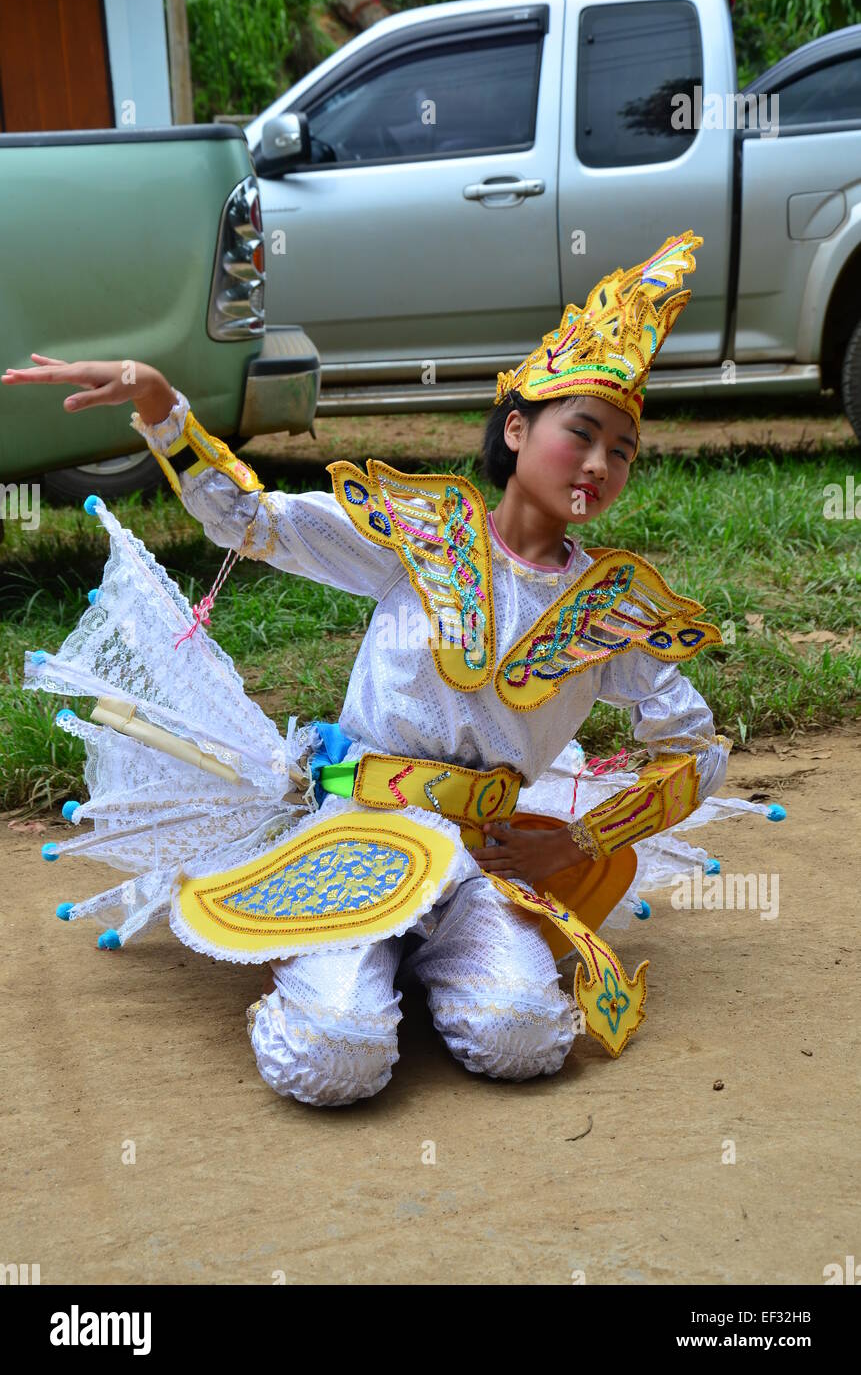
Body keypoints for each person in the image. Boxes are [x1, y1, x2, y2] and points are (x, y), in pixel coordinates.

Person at [5, 230, 776, 1107]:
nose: (599, 465)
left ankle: (414, 955)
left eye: (623, 451)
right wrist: (160, 405)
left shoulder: (613, 610)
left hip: (487, 858)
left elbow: (694, 751)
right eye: (581, 434)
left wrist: (576, 841)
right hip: (364, 832)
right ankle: (327, 964)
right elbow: (248, 519)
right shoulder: (420, 537)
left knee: (526, 1037)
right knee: (336, 1059)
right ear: (517, 428)